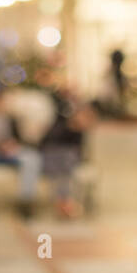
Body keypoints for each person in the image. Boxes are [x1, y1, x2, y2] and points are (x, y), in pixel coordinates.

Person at [40, 89, 95, 218]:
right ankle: (65, 202)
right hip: (52, 156)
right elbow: (47, 142)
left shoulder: (79, 130)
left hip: (66, 159)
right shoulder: (59, 122)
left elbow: (79, 150)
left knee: (66, 164)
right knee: (63, 166)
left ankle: (64, 202)